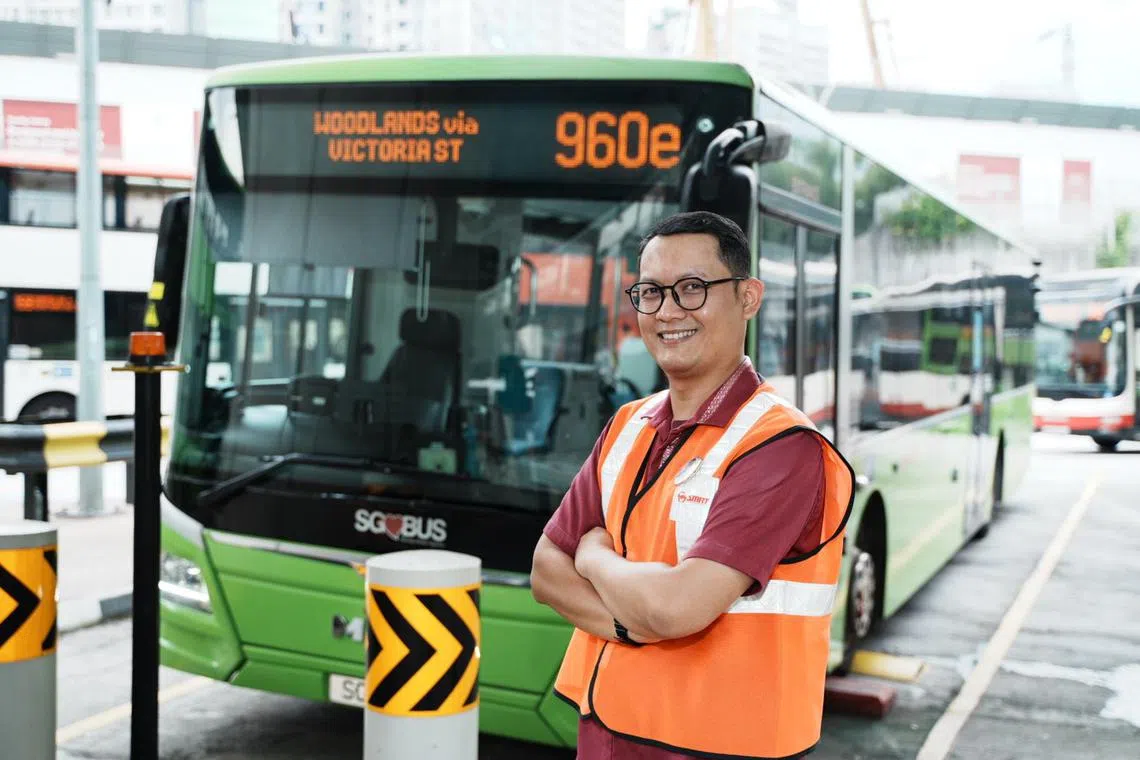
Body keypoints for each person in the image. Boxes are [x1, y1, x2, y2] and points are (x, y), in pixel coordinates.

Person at [530, 211, 854, 759]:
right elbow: (544, 572)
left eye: (692, 289)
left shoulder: (780, 447)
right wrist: (630, 625)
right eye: (651, 292)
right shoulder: (628, 425)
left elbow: (678, 609)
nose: (668, 311)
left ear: (748, 297)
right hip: (607, 736)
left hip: (716, 748)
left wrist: (593, 558)